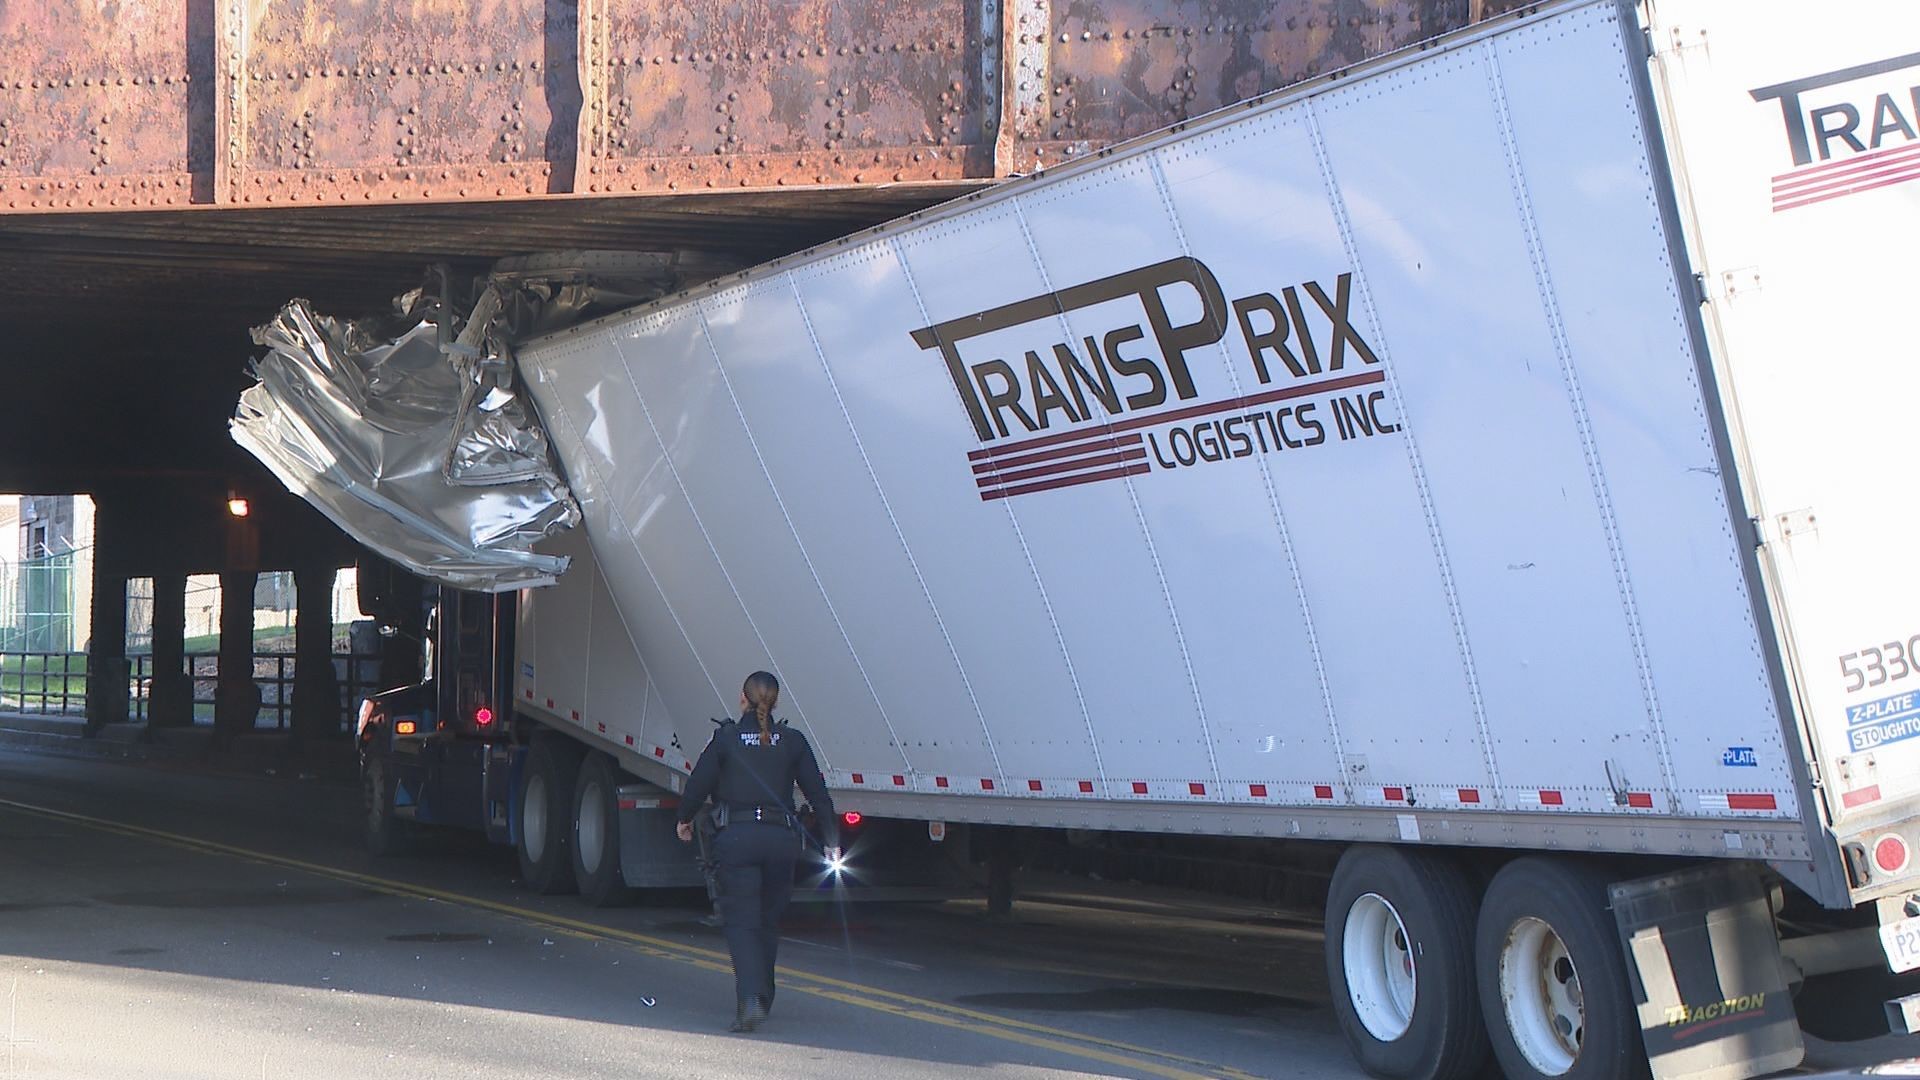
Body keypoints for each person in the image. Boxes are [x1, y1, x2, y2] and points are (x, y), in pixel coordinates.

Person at [676, 670, 839, 1033]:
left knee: (741, 922)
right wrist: (831, 839)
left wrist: (684, 819)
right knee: (768, 919)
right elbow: (818, 793)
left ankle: (750, 997)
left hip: (737, 839)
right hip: (781, 842)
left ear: (742, 698)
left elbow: (698, 784)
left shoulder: (726, 739)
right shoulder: (792, 740)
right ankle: (764, 993)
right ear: (776, 701)